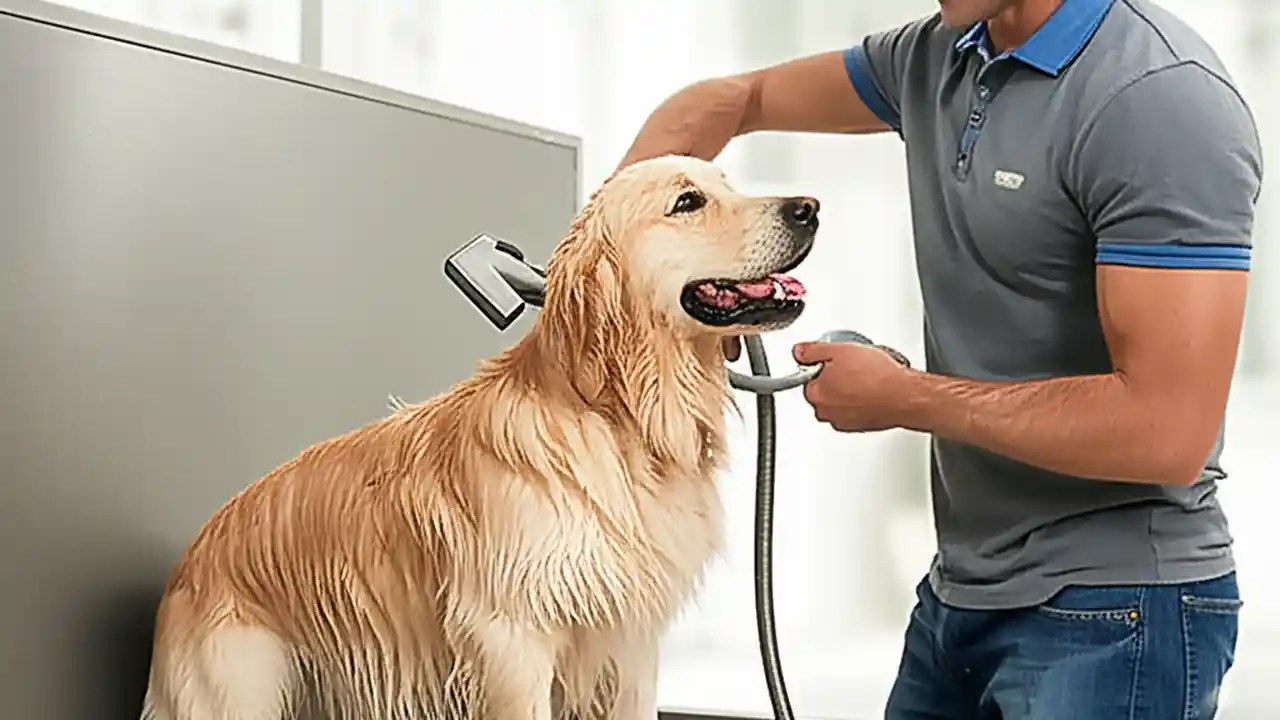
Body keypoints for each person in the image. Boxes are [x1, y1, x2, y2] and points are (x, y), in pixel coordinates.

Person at [617, 0, 1262, 717]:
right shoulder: (938, 56)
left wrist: (905, 397)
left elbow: (1167, 433)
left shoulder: (1158, 100)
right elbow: (729, 100)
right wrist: (604, 278)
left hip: (1118, 614)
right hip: (962, 593)